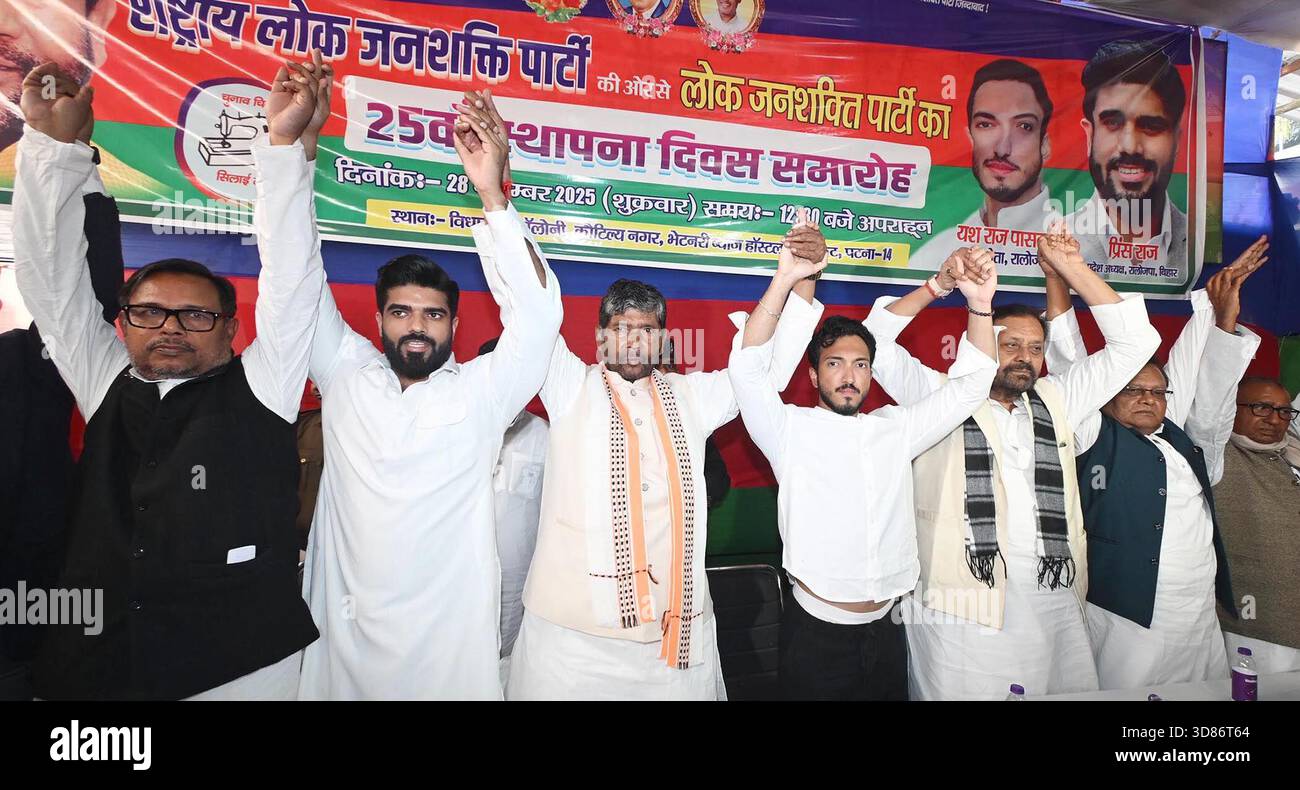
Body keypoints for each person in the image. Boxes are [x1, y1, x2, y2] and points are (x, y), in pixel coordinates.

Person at [12, 59, 324, 699]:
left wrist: (283, 148)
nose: (171, 328)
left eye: (195, 315)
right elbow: (52, 284)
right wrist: (49, 147)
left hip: (238, 670)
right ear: (123, 323)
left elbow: (293, 284)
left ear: (231, 329)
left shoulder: (265, 385)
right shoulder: (106, 378)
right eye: (150, 312)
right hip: (98, 664)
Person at [486, 203, 827, 699]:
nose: (633, 341)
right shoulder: (569, 387)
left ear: (662, 339)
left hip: (673, 651)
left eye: (646, 330)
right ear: (601, 337)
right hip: (572, 651)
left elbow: (763, 374)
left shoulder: (692, 399)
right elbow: (529, 309)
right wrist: (497, 205)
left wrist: (795, 279)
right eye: (621, 329)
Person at [292, 79, 564, 700]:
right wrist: (294, 157)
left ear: (455, 326)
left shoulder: (480, 395)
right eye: (402, 312)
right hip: (342, 663)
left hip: (447, 669)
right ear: (378, 320)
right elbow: (298, 278)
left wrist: (493, 194)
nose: (416, 326)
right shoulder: (346, 374)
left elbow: (540, 318)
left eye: (433, 314)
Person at [865, 225, 1161, 699]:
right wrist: (937, 286)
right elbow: (872, 341)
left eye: (1036, 348)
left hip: (1054, 593)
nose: (1025, 358)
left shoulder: (1059, 397)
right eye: (1010, 345)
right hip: (962, 602)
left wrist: (1071, 268)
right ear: (981, 340)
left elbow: (1136, 343)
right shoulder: (936, 395)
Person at [729, 233, 998, 700]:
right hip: (818, 636)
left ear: (872, 373)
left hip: (889, 630)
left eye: (860, 365)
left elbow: (972, 386)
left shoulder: (896, 427)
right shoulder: (787, 429)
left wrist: (978, 304)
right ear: (813, 374)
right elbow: (747, 370)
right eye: (834, 363)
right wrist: (786, 278)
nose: (849, 376)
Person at [1047, 237, 1266, 689]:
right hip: (1127, 613)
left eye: (1156, 392)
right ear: (1106, 395)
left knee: (1200, 702)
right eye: (1133, 390)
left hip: (1198, 610)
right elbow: (1069, 361)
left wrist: (1218, 313)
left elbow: (1201, 380)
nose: (1148, 399)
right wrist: (1057, 279)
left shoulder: (1181, 438)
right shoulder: (1092, 432)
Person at [908, 59, 1060, 272]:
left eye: (1024, 126)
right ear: (971, 138)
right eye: (986, 124)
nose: (1002, 149)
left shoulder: (1080, 250)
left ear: (1044, 145)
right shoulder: (935, 255)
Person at [1066, 40, 1188, 275]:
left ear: (1176, 141)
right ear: (1089, 135)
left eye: (1151, 126)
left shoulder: (1198, 243)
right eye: (1112, 123)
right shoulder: (1053, 242)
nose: (1130, 147)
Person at [1213, 370, 1300, 673]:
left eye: (1284, 411)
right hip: (1257, 623)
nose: (1274, 419)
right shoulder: (1217, 455)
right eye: (1261, 407)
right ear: (1231, 408)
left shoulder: (1292, 453)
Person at [478, 337, 548, 662]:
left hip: (519, 577)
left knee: (509, 660)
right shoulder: (459, 430)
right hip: (464, 575)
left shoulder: (545, 436)